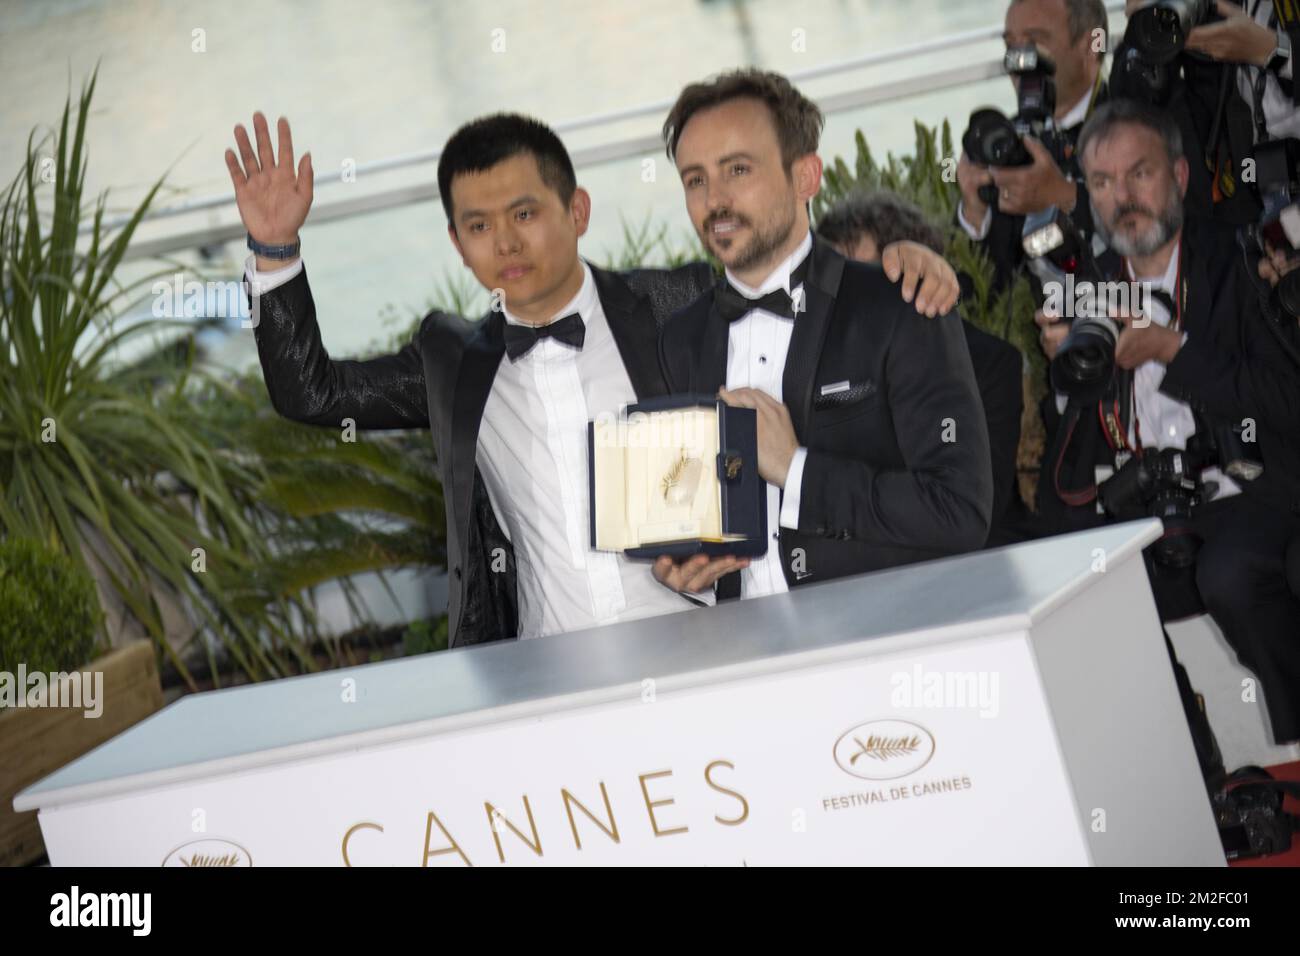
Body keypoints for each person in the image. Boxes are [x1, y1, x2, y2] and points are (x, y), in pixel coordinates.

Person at [225, 111, 958, 646]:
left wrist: (900, 265)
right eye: (478, 226)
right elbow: (312, 393)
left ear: (576, 211)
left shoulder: (682, 305)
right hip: (548, 669)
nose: (505, 241)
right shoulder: (454, 364)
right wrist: (274, 248)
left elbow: (802, 300)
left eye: (525, 212)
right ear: (456, 243)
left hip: (719, 640)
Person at [653, 69, 993, 602]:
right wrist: (680, 569)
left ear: (805, 177)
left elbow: (958, 512)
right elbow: (685, 522)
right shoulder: (680, 339)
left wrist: (795, 469)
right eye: (695, 180)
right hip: (735, 658)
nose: (714, 200)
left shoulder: (903, 301)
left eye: (737, 169)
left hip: (884, 645)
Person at [1035, 97, 1300, 747]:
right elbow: (1076, 434)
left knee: (1229, 576)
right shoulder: (1085, 284)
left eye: (1139, 174)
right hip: (1148, 496)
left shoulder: (1240, 258)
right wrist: (1066, 374)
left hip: (1254, 483)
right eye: (1101, 183)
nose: (1121, 197)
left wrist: (1172, 352)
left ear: (1179, 177)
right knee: (1076, 599)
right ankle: (1189, 765)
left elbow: (1284, 394)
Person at [815, 190, 1030, 546]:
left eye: (860, 278)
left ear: (919, 273)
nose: (845, 298)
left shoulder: (989, 364)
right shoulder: (816, 362)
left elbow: (976, 513)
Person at [957, 0, 1111, 291]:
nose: (1018, 59)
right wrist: (975, 214)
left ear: (1090, 46)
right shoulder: (1005, 139)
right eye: (1011, 44)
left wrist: (1065, 197)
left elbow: (1164, 236)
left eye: (1035, 41)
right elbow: (982, 295)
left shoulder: (1138, 124)